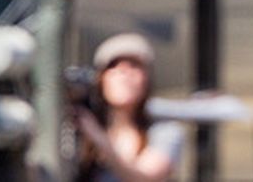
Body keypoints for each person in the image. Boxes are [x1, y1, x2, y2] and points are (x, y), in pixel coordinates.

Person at [74, 33, 181, 182]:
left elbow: (144, 178)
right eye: (114, 66)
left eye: (134, 66)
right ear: (101, 80)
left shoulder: (164, 131)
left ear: (146, 79)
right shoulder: (78, 134)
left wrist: (100, 140)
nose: (124, 73)